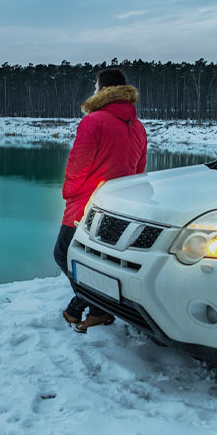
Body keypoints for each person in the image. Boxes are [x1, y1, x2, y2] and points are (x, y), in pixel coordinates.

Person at [55, 67, 147, 332]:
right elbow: (138, 171)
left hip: (87, 204)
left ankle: (97, 307)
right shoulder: (138, 126)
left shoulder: (94, 121)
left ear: (103, 90)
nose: (93, 90)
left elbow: (78, 163)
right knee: (96, 260)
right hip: (119, 207)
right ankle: (94, 308)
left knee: (63, 253)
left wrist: (69, 193)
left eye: (95, 86)